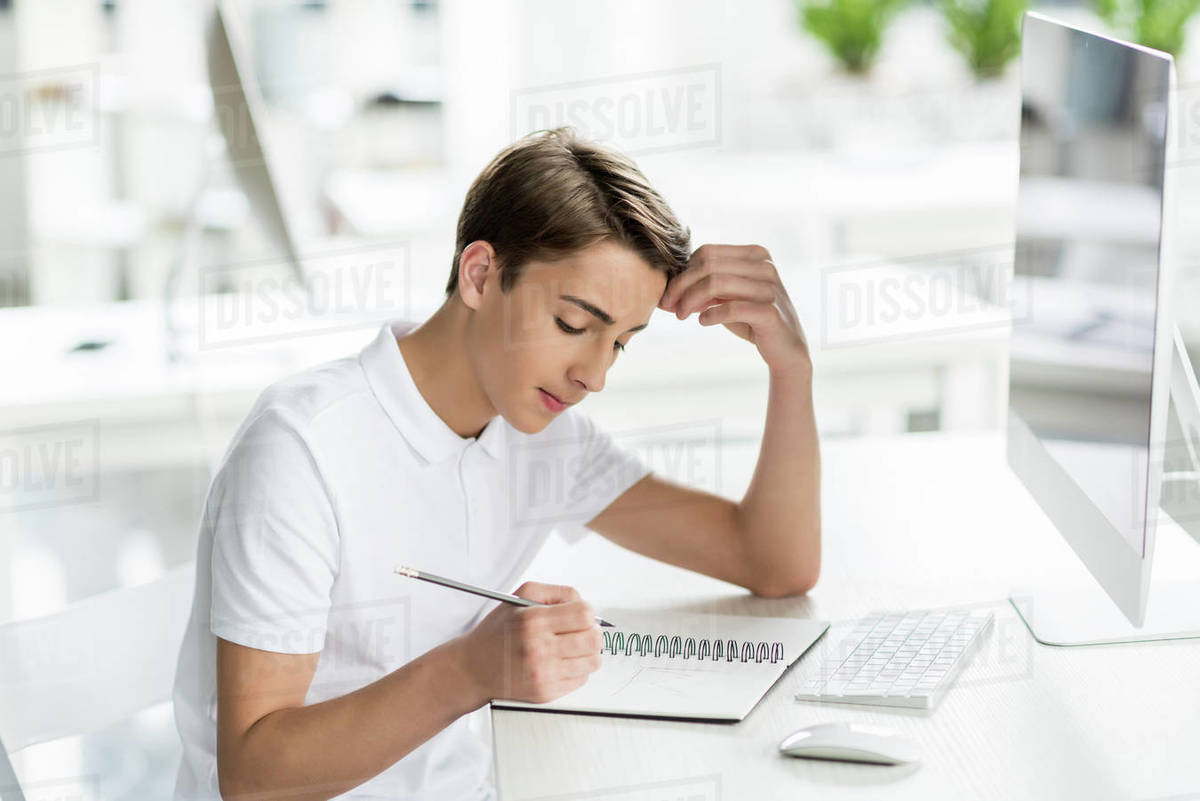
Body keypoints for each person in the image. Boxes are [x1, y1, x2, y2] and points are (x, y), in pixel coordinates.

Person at [172, 126, 820, 800]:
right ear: (480, 274)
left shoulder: (541, 438)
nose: (595, 374)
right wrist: (469, 670)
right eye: (575, 324)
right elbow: (251, 775)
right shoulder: (300, 447)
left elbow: (772, 561)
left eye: (621, 343)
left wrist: (791, 368)